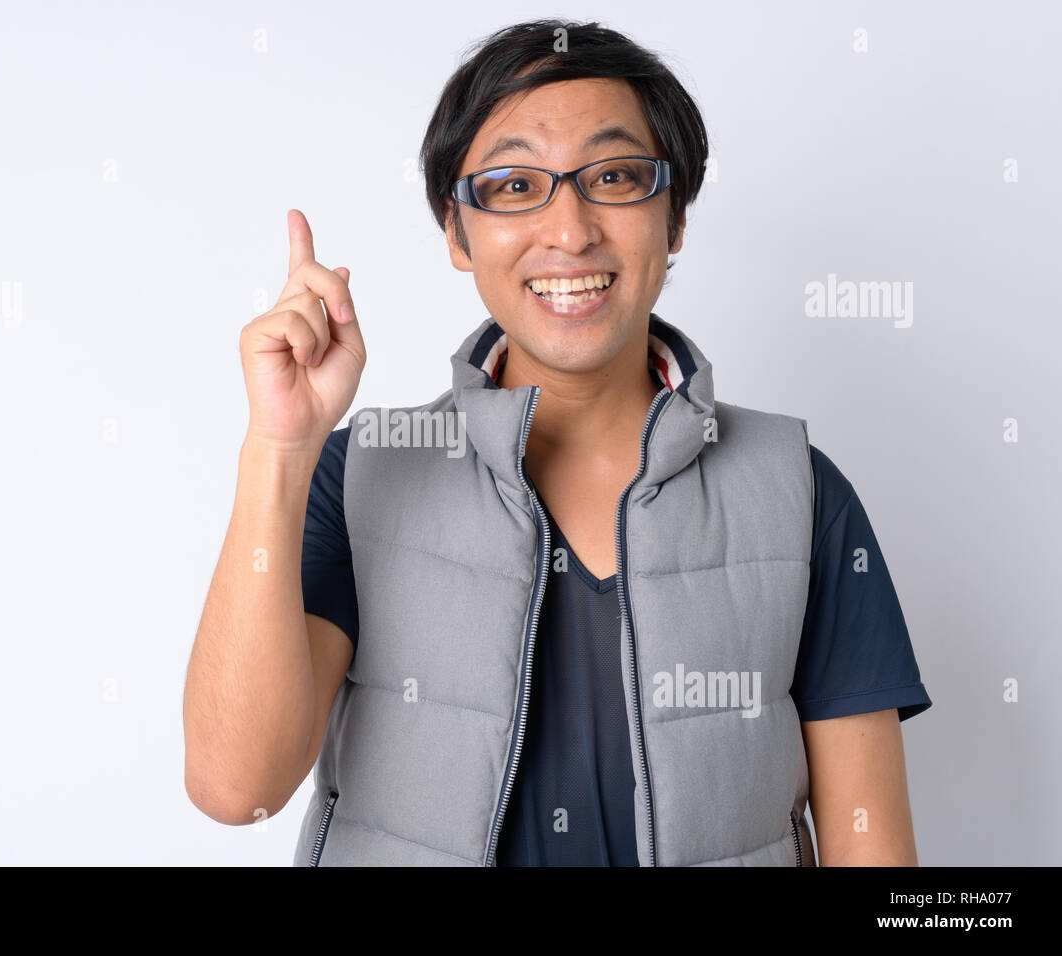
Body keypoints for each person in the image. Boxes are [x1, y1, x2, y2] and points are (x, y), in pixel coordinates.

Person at [182, 19, 932, 866]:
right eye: (513, 186)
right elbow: (234, 788)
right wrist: (282, 449)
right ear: (457, 233)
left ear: (675, 215)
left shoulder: (795, 491)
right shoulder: (362, 476)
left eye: (615, 176)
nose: (570, 231)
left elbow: (875, 856)